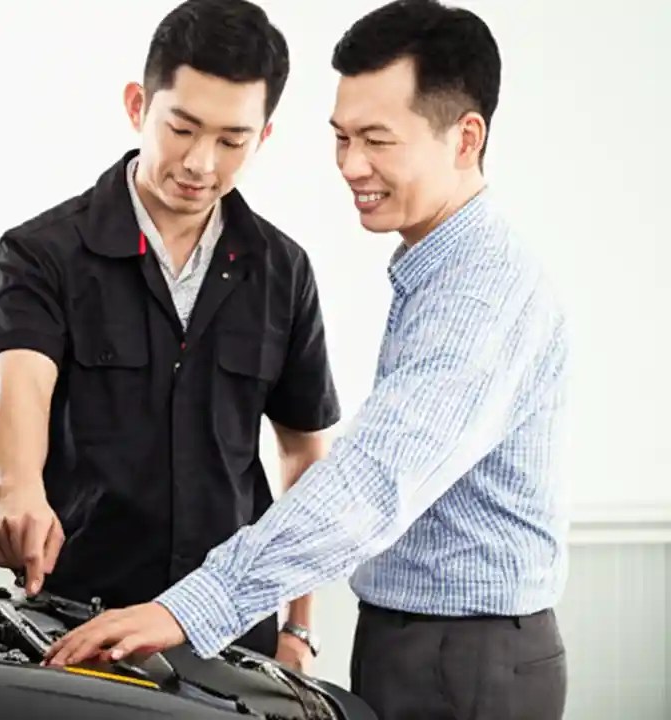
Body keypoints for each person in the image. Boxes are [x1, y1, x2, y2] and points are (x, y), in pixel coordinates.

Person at [42, 1, 571, 718]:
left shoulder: (479, 292)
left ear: (465, 137)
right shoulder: (437, 269)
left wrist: (189, 609)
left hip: (464, 659)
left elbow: (371, 480)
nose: (353, 166)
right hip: (422, 641)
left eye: (378, 140)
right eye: (342, 137)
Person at [0, 0, 341, 672]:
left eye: (233, 140)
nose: (201, 163)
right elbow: (22, 377)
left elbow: (305, 462)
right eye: (183, 128)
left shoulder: (283, 271)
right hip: (76, 631)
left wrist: (299, 628)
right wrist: (18, 485)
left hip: (231, 639)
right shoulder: (43, 252)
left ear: (264, 137)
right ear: (139, 104)